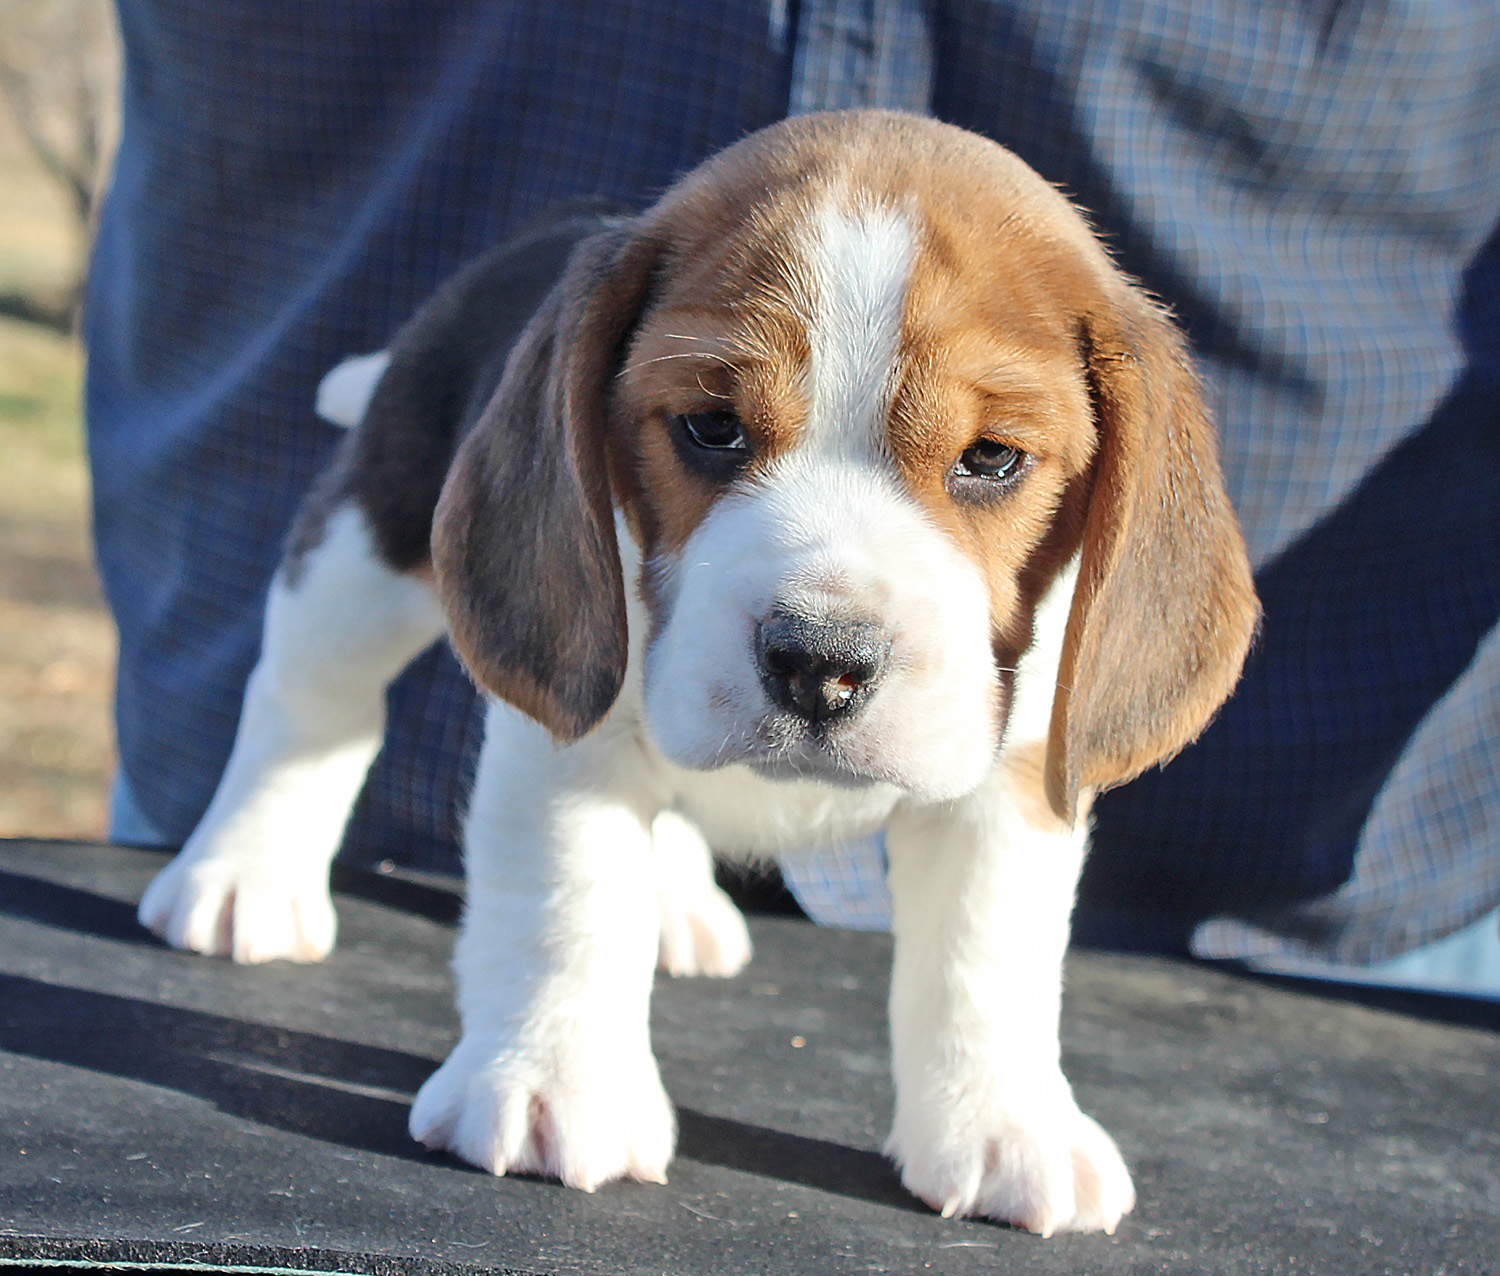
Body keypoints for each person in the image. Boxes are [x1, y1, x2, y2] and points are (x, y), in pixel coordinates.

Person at [88, 1, 1500, 995]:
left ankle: (678, 857)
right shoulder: (568, 432)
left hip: (1309, 860)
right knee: (440, 657)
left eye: (988, 461)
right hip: (380, 599)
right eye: (712, 426)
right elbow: (563, 705)